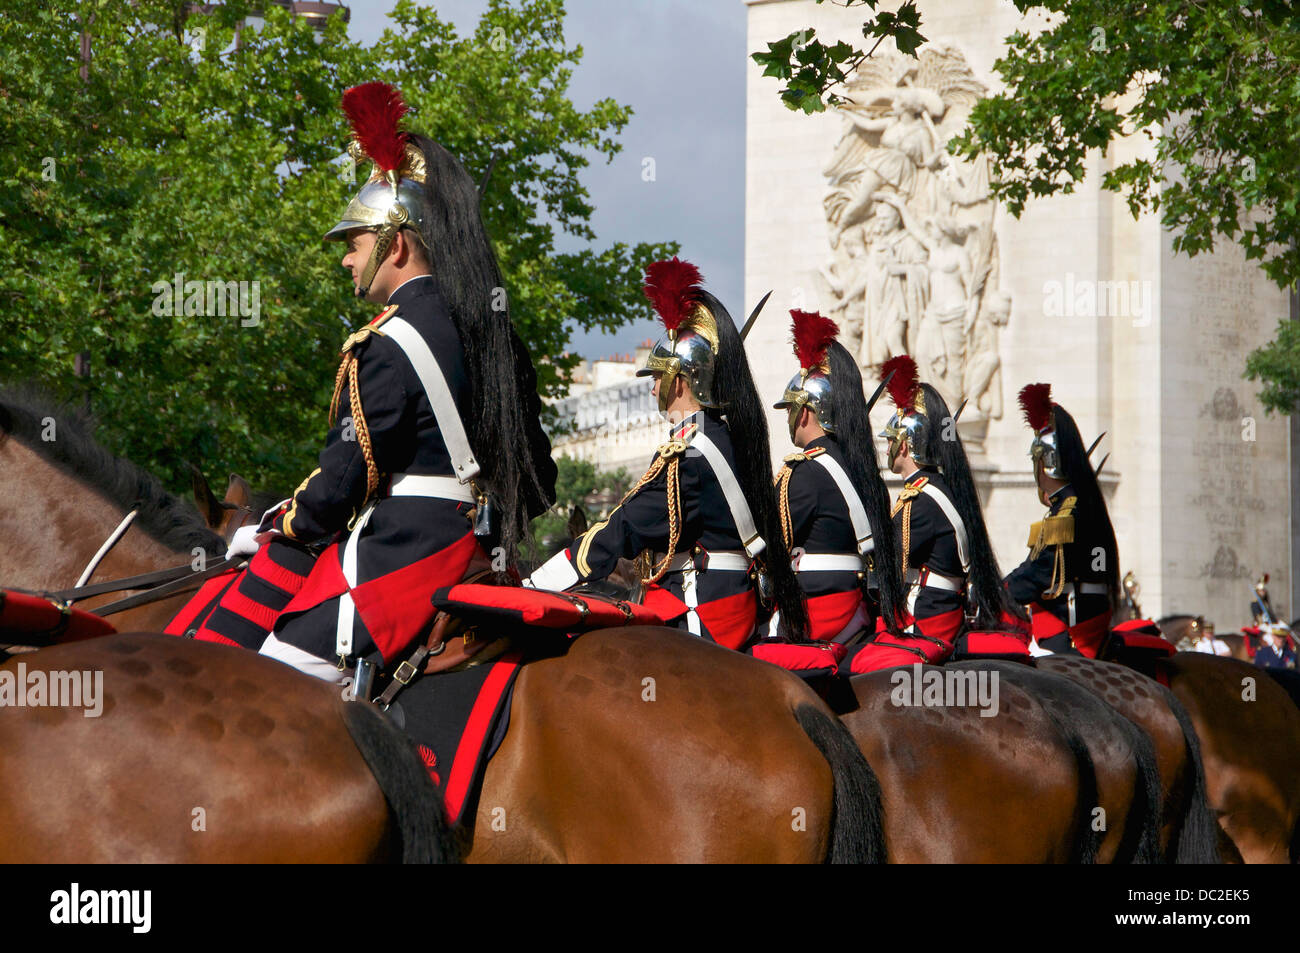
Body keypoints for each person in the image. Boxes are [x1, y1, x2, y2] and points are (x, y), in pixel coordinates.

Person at [169, 81, 556, 684]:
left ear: (395, 244)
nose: (346, 260)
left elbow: (344, 480)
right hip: (486, 562)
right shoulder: (499, 336)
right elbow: (541, 479)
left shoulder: (386, 342)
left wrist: (271, 527)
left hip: (402, 562)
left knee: (263, 682)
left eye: (354, 244)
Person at [525, 258, 807, 650]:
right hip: (725, 596)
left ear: (680, 379)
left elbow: (623, 528)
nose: (652, 388)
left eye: (657, 376)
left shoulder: (691, 456)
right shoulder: (722, 438)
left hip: (699, 607)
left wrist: (538, 583)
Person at [850, 354, 1021, 673]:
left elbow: (888, 566)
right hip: (937, 612)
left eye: (891, 440)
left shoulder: (921, 501)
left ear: (906, 445)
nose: (887, 447)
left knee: (855, 666)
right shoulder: (937, 490)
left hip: (927, 621)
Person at [769, 310, 906, 642]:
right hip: (856, 610)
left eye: (789, 408)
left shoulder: (805, 472)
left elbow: (770, 546)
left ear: (805, 411)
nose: (787, 415)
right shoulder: (864, 473)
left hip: (815, 614)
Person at [1003, 383, 1118, 658]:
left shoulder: (1069, 512)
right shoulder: (1072, 506)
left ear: (1047, 463)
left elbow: (1041, 573)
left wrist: (994, 592)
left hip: (1069, 630)